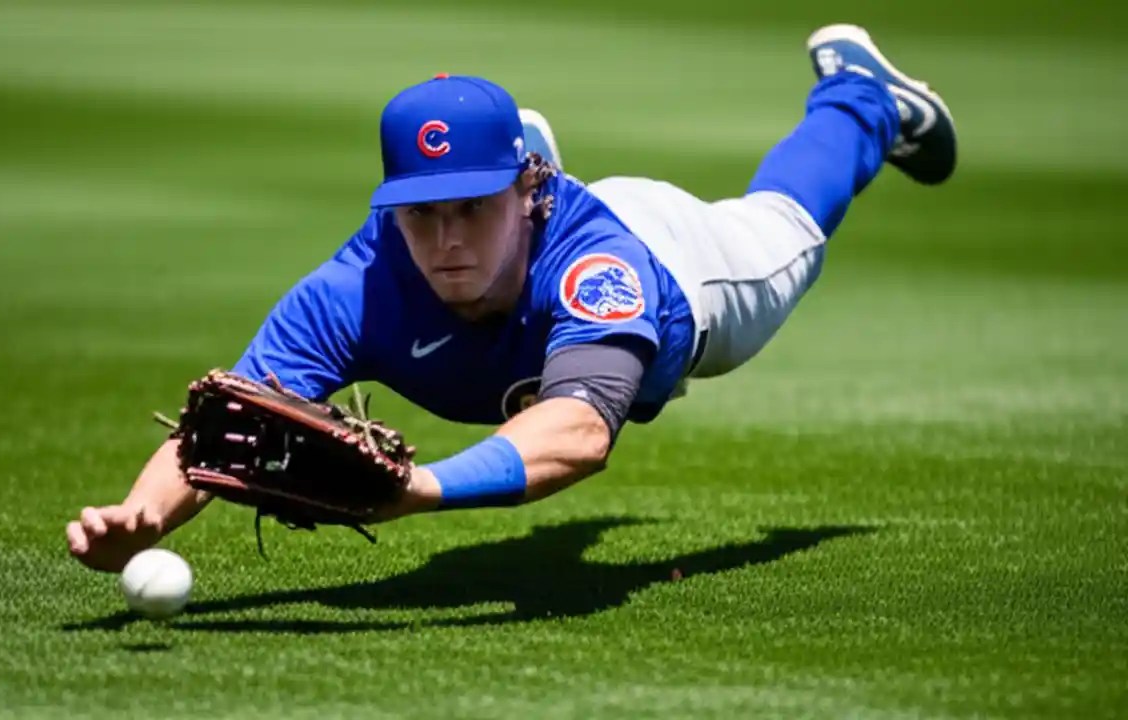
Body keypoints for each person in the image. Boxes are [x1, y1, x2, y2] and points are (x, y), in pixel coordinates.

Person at [67, 24, 956, 572]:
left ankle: (859, 98)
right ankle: (514, 148)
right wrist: (143, 518)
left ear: (526, 193)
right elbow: (226, 425)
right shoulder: (353, 288)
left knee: (784, 228)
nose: (445, 238)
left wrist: (421, 488)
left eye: (471, 206)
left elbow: (580, 432)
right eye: (422, 213)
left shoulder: (600, 267)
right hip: (535, 241)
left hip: (682, 266)